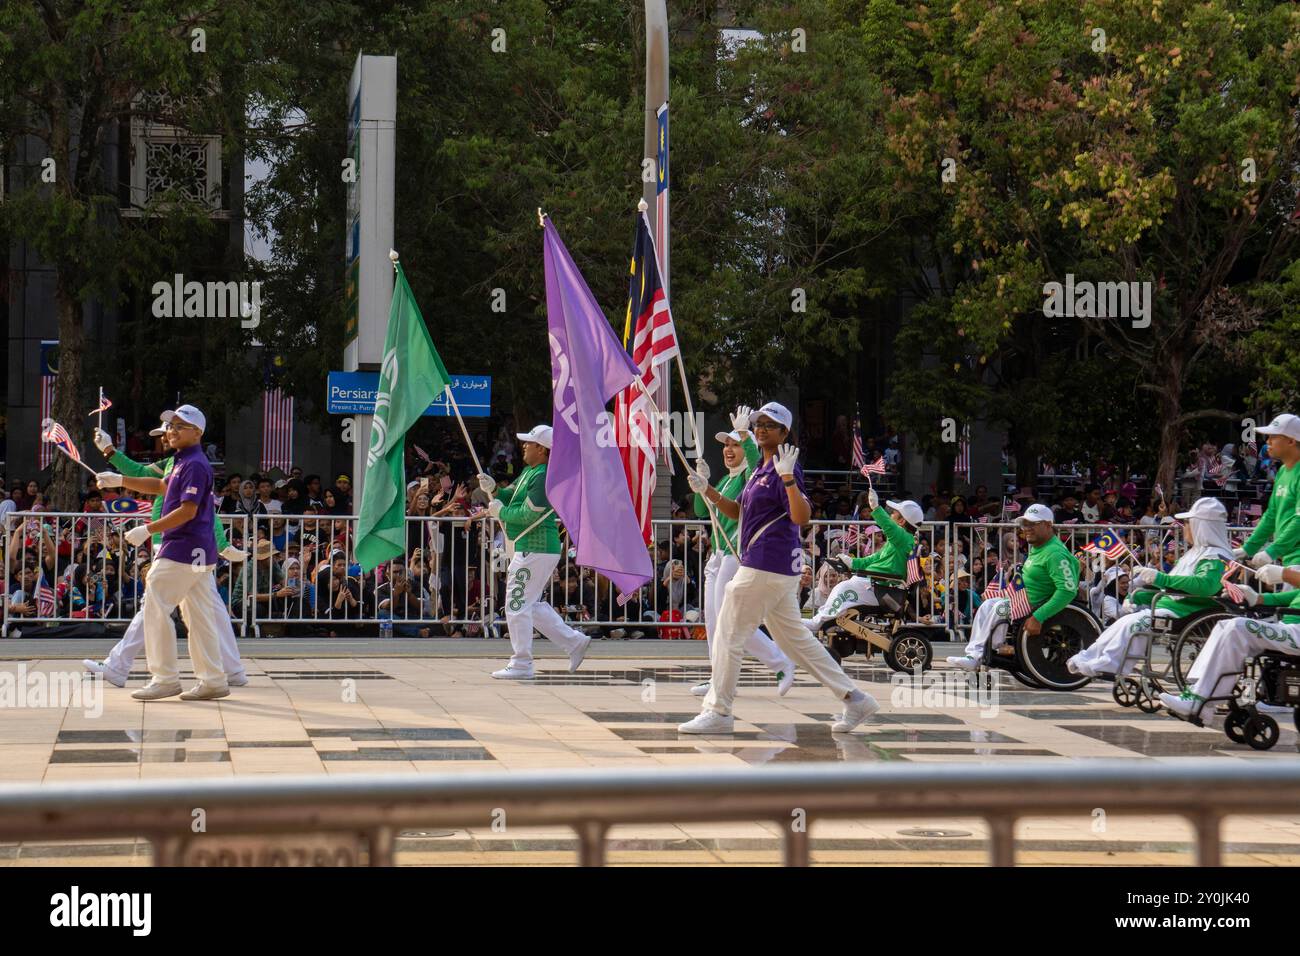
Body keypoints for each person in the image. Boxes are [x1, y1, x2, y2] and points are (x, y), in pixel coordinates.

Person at [679, 402, 879, 735]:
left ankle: (718, 710)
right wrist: (708, 491)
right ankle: (855, 699)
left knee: (728, 632)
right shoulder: (760, 467)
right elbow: (738, 512)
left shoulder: (786, 467)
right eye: (758, 424)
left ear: (784, 432)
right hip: (774, 568)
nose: (761, 429)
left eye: (769, 425)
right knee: (795, 642)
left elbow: (802, 517)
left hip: (765, 563)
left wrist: (787, 478)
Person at [84, 413, 247, 689]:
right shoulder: (177, 461)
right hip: (184, 544)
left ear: (196, 432)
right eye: (167, 430)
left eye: (175, 429)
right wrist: (115, 469)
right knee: (205, 612)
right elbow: (153, 481)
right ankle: (225, 673)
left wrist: (148, 530)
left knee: (156, 606)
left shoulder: (191, 463)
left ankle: (154, 675)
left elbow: (197, 510)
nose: (167, 435)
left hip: (180, 543)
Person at [687, 407, 794, 697]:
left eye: (734, 445)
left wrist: (746, 435)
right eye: (726, 445)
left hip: (736, 553)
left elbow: (755, 461)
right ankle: (718, 677)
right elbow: (702, 512)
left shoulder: (751, 475)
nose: (728, 450)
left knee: (729, 618)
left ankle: (779, 660)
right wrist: (703, 485)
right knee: (713, 620)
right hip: (717, 555)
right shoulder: (726, 480)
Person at [1065, 497, 1232, 677]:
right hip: (1173, 607)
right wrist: (1138, 596)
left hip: (1187, 613)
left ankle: (1108, 664)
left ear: (1202, 526)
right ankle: (1090, 657)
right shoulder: (1195, 554)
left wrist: (1160, 578)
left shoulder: (1215, 556)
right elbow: (1175, 589)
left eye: (1187, 523)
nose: (1184, 527)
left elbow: (1205, 586)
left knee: (1135, 624)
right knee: (1122, 623)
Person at [476, 424, 590, 679]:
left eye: (530, 442)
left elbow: (528, 515)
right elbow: (509, 495)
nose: (524, 445)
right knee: (530, 605)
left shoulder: (543, 476)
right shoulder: (531, 471)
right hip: (534, 547)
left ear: (543, 449)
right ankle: (574, 642)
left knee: (516, 603)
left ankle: (522, 663)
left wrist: (500, 512)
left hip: (535, 547)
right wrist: (493, 489)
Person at [947, 503, 1079, 669]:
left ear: (1048, 525)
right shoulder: (1038, 548)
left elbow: (1067, 591)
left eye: (1033, 524)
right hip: (1021, 599)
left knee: (1000, 607)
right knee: (988, 604)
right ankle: (974, 654)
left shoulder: (1055, 553)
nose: (1027, 529)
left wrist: (1038, 617)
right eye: (1025, 524)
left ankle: (987, 652)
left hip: (1035, 605)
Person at [1159, 563, 1300, 717]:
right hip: (1290, 627)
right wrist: (1258, 598)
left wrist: (1286, 574)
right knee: (1223, 625)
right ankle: (1196, 690)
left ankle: (1202, 701)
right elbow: (1294, 595)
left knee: (1237, 627)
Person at [808, 492, 923, 631]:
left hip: (879, 588)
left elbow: (888, 526)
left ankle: (818, 622)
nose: (891, 515)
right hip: (875, 585)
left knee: (842, 588)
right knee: (843, 586)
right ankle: (824, 621)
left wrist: (876, 507)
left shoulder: (904, 537)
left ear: (902, 521)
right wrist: (852, 562)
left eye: (893, 513)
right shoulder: (899, 541)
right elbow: (873, 559)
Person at [1236, 414, 1300, 576]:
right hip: (1290, 559)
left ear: (1291, 441)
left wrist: (1272, 551)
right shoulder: (1283, 471)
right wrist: (1248, 548)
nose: (1268, 442)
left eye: (1273, 437)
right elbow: (1271, 514)